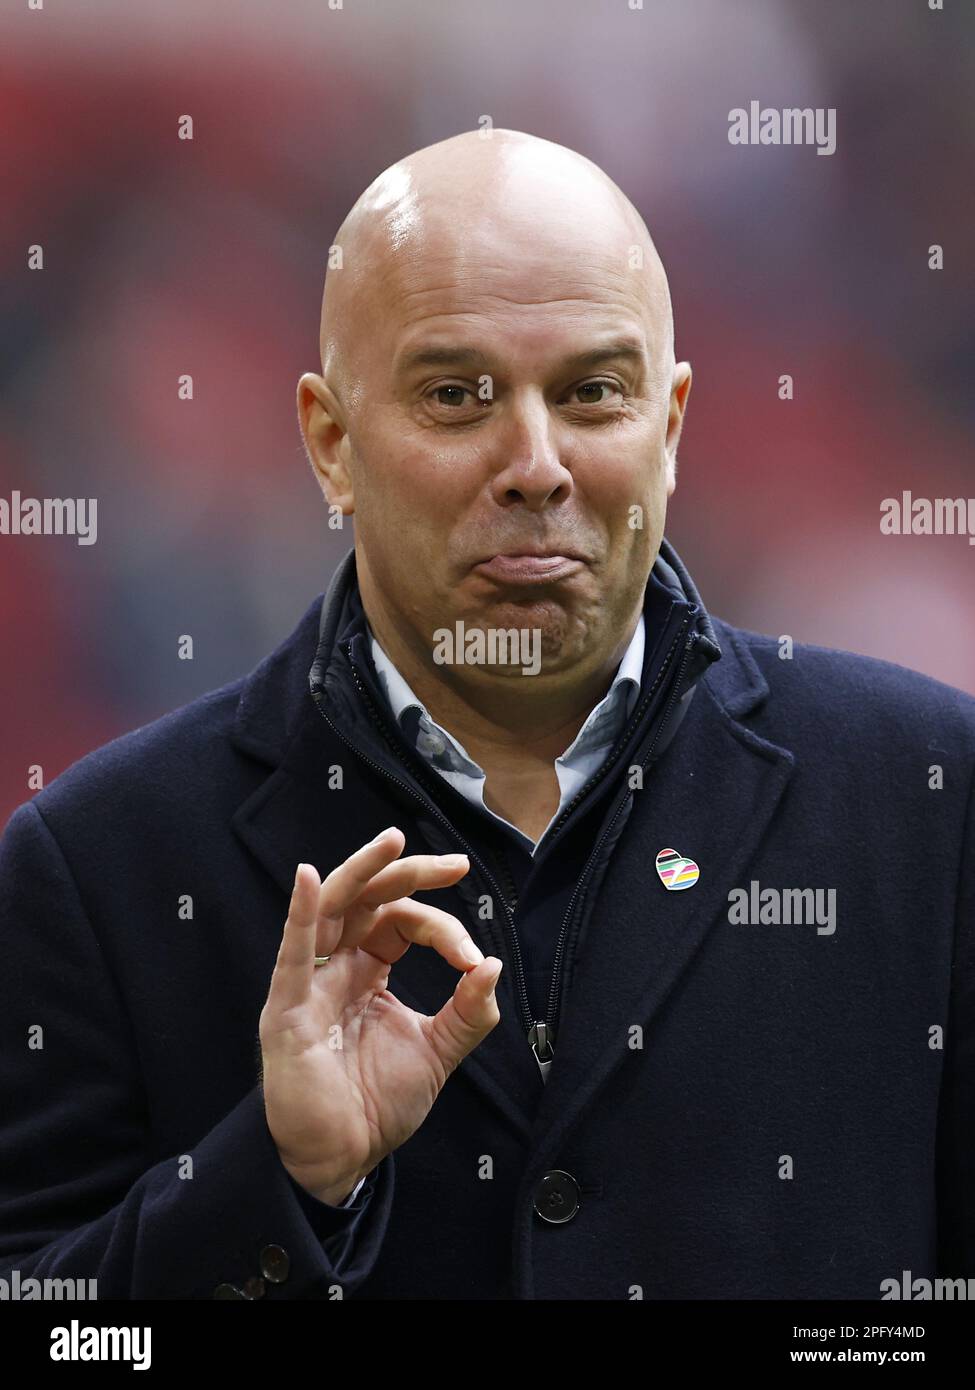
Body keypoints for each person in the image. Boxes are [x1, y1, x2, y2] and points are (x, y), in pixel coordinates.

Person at [0, 128, 972, 1301]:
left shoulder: (929, 798)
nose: (536, 462)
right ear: (331, 443)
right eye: (457, 396)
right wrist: (280, 1181)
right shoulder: (93, 866)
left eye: (592, 393)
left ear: (668, 428)